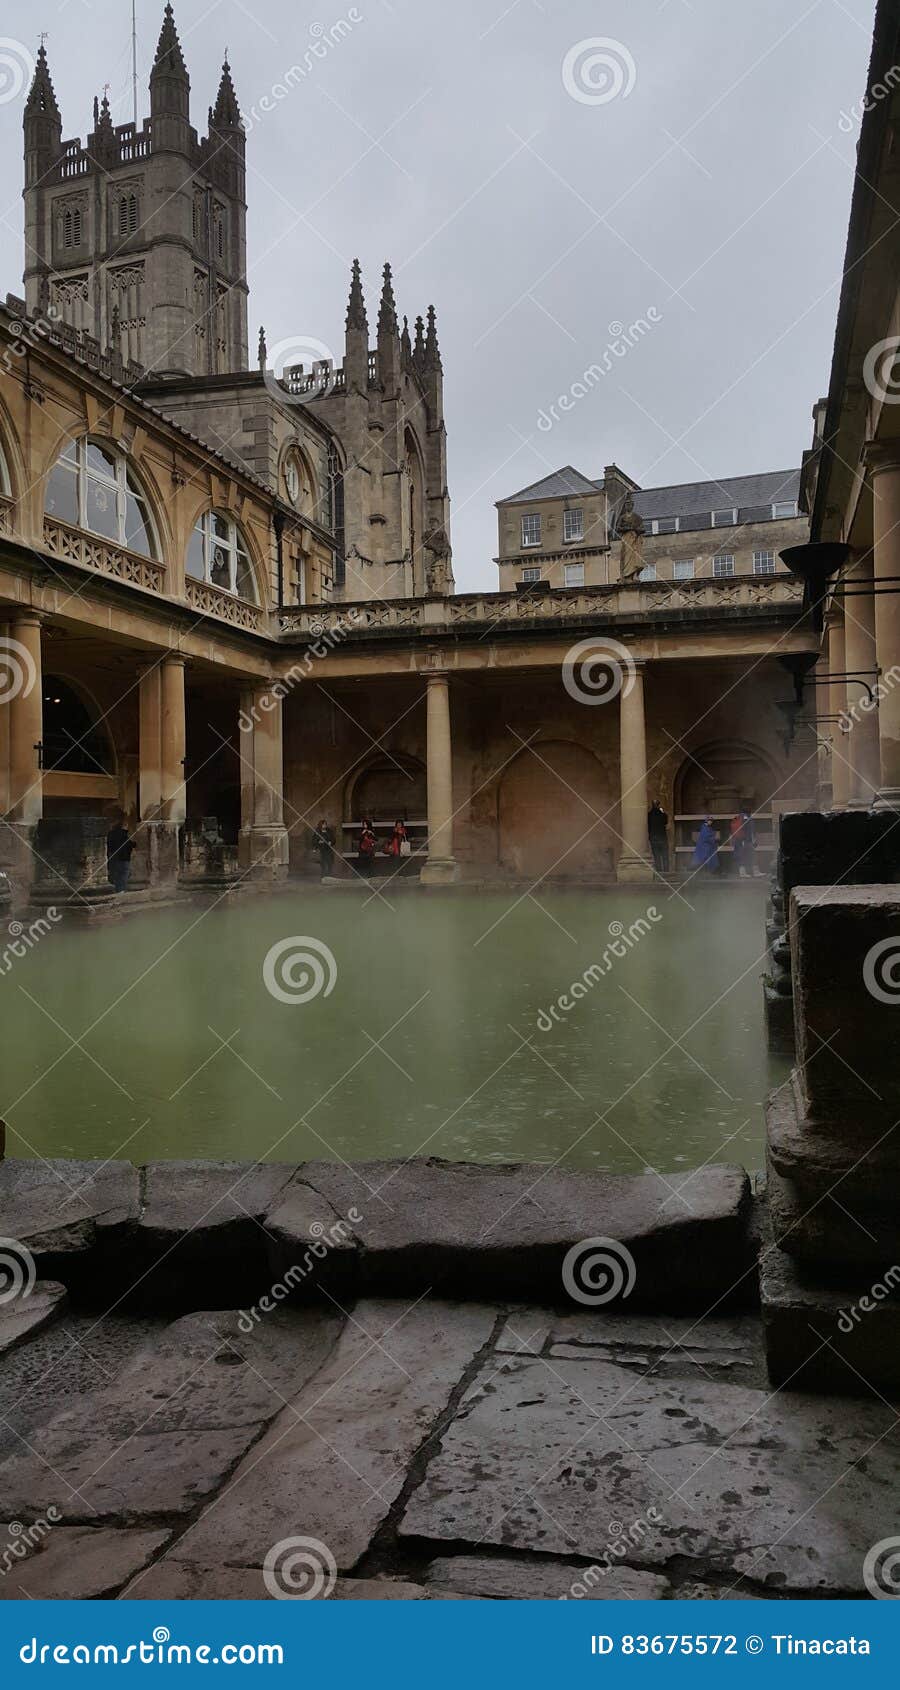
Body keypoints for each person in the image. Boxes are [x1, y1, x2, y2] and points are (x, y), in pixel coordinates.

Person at [106, 814, 135, 894]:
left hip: (114, 858)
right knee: (124, 874)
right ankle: (121, 890)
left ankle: (117, 889)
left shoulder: (110, 834)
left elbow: (109, 846)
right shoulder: (124, 834)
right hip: (124, 858)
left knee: (116, 874)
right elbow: (131, 845)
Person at [730, 807, 757, 879]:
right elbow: (748, 830)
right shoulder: (745, 818)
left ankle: (744, 873)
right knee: (749, 855)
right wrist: (751, 840)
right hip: (744, 840)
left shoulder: (738, 817)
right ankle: (753, 872)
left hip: (739, 840)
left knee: (742, 855)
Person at [647, 799, 669, 875]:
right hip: (662, 837)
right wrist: (662, 811)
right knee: (665, 855)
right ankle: (666, 871)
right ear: (658, 805)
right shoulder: (662, 814)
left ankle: (659, 871)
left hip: (653, 838)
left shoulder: (649, 815)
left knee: (657, 856)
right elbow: (666, 821)